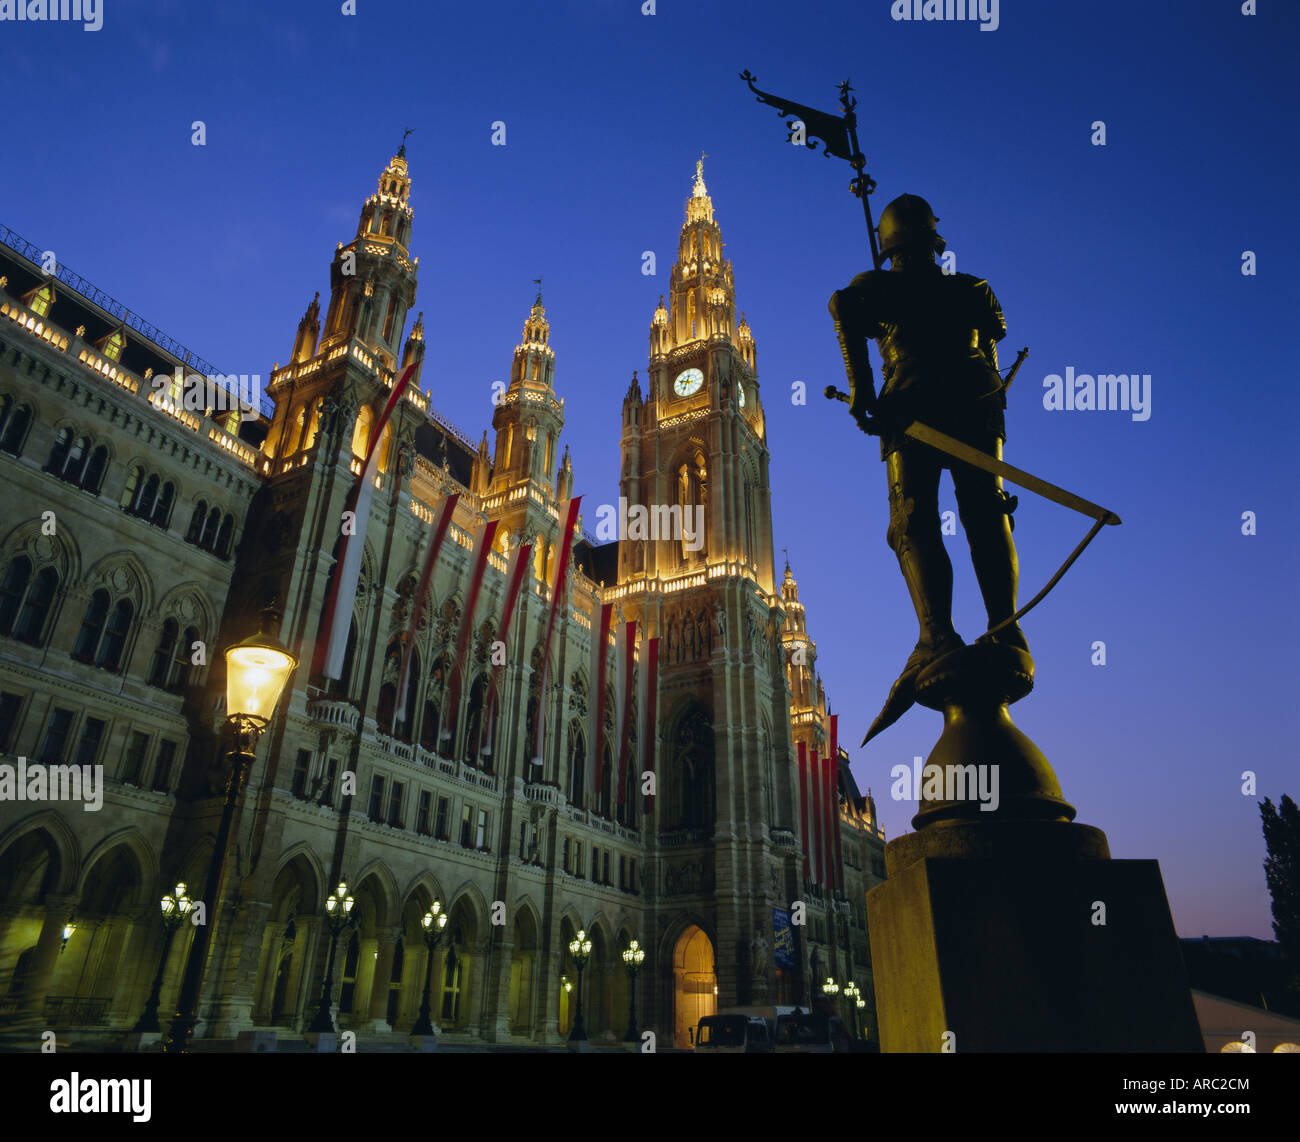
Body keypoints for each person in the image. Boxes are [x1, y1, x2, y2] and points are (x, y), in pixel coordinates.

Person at [828, 194, 1026, 741]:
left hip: (911, 406)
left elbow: (841, 306)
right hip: (972, 405)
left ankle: (943, 632)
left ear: (891, 247)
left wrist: (863, 395)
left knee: (918, 521)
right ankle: (997, 629)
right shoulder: (972, 289)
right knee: (981, 514)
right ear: (934, 243)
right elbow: (996, 332)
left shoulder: (882, 287)